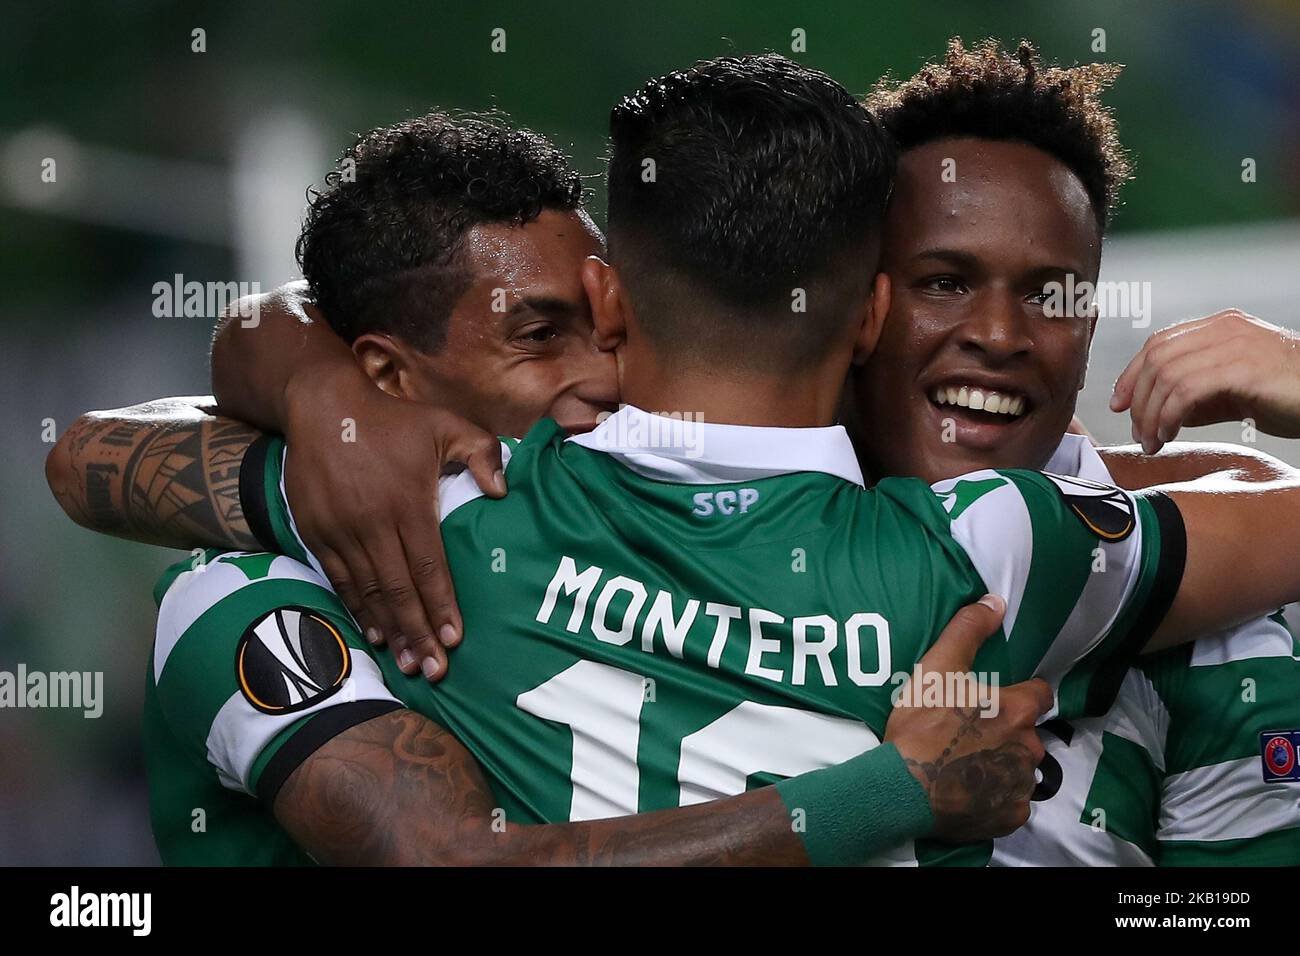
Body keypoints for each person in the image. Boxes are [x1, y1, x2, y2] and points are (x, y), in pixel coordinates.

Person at [49, 86, 1051, 865]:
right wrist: (893, 789)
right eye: (538, 336)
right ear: (388, 376)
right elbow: (440, 857)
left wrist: (308, 382)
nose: (605, 373)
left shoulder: (753, 508)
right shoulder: (254, 590)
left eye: (604, 323)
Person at [850, 38, 1300, 865]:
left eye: (1049, 296)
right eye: (945, 281)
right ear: (855, 304)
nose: (999, 335)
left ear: (1089, 330)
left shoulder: (1226, 615)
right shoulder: (693, 526)